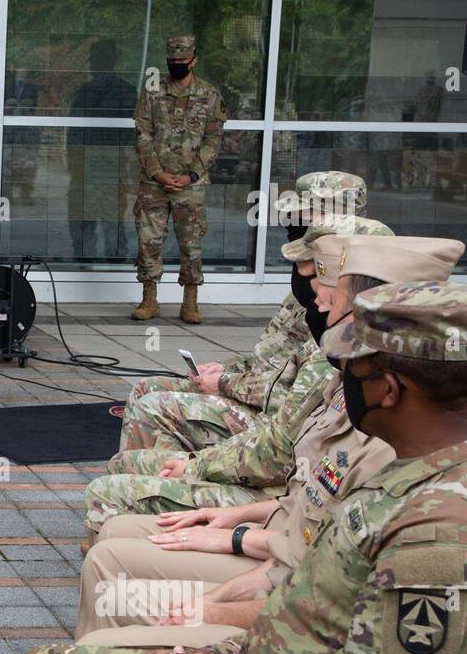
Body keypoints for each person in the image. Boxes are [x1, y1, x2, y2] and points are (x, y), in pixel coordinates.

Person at [0, 279, 467, 654]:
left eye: (350, 370)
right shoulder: (415, 476)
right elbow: (311, 620)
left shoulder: (446, 536)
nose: (340, 381)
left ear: (387, 389)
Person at [75, 235, 465, 645]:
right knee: (114, 549)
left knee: (108, 583)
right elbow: (309, 506)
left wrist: (232, 554)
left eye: (333, 300)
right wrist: (242, 523)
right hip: (278, 554)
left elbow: (322, 588)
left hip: (287, 610)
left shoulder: (397, 438)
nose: (318, 306)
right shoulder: (366, 395)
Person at [84, 215, 392, 534]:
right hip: (278, 495)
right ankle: (145, 537)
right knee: (132, 457)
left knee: (111, 490)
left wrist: (197, 466)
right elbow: (269, 369)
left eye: (320, 269)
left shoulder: (348, 357)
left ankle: (142, 542)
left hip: (275, 498)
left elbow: (278, 456)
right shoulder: (334, 342)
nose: (315, 294)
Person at [117, 172, 367, 453]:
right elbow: (272, 357)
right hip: (250, 391)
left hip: (273, 419)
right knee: (145, 390)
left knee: (154, 408)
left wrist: (224, 384)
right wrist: (229, 369)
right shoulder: (307, 287)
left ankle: (163, 485)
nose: (295, 225)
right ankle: (156, 481)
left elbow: (293, 389)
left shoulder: (344, 300)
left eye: (305, 216)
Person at [130, 34, 226, 325]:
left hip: (191, 186)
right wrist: (158, 173)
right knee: (149, 242)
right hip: (153, 183)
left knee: (191, 243)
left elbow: (213, 140)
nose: (176, 65)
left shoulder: (209, 95)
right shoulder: (151, 93)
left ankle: (190, 302)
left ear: (193, 60)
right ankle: (149, 299)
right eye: (172, 61)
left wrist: (190, 175)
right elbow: (142, 136)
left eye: (182, 61)